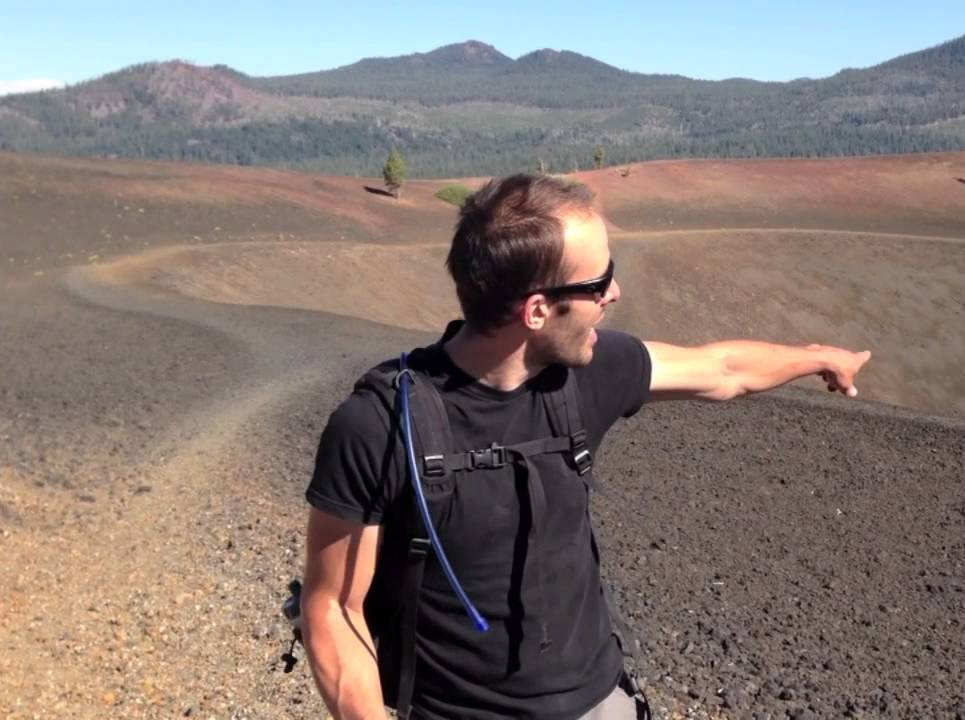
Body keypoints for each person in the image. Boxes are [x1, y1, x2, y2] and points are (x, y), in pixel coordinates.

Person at [301, 173, 871, 720]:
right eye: (599, 285)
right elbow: (331, 607)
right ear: (537, 310)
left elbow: (722, 369)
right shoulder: (379, 425)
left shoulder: (585, 375)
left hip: (602, 702)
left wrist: (819, 356)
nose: (615, 293)